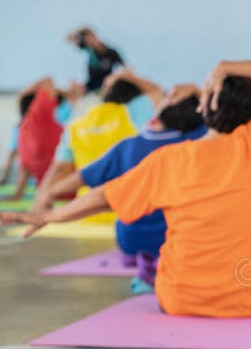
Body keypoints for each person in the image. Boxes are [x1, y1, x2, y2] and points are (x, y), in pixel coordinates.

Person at [0, 59, 251, 318]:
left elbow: (104, 196)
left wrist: (50, 216)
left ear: (205, 104)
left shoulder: (169, 159)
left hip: (179, 301)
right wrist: (227, 67)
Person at [33, 84, 208, 288]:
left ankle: (148, 261)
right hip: (176, 241)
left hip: (130, 242)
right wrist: (197, 92)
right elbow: (216, 121)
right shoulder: (198, 141)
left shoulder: (127, 146)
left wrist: (48, 193)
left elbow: (83, 177)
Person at [33, 70, 163, 211]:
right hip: (126, 212)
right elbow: (156, 91)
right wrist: (127, 76)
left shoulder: (77, 124)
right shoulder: (133, 115)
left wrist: (41, 198)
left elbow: (60, 168)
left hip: (85, 210)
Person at [6, 78, 78, 201]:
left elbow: (24, 169)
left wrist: (17, 194)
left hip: (47, 190)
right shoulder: (43, 114)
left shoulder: (25, 129)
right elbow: (48, 81)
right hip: (67, 189)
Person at [67, 27, 125, 93]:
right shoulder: (90, 50)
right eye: (87, 41)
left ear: (95, 36)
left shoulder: (111, 52)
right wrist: (79, 33)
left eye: (91, 38)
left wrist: (116, 77)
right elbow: (69, 38)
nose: (90, 41)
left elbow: (125, 67)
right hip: (92, 83)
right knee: (74, 86)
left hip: (106, 83)